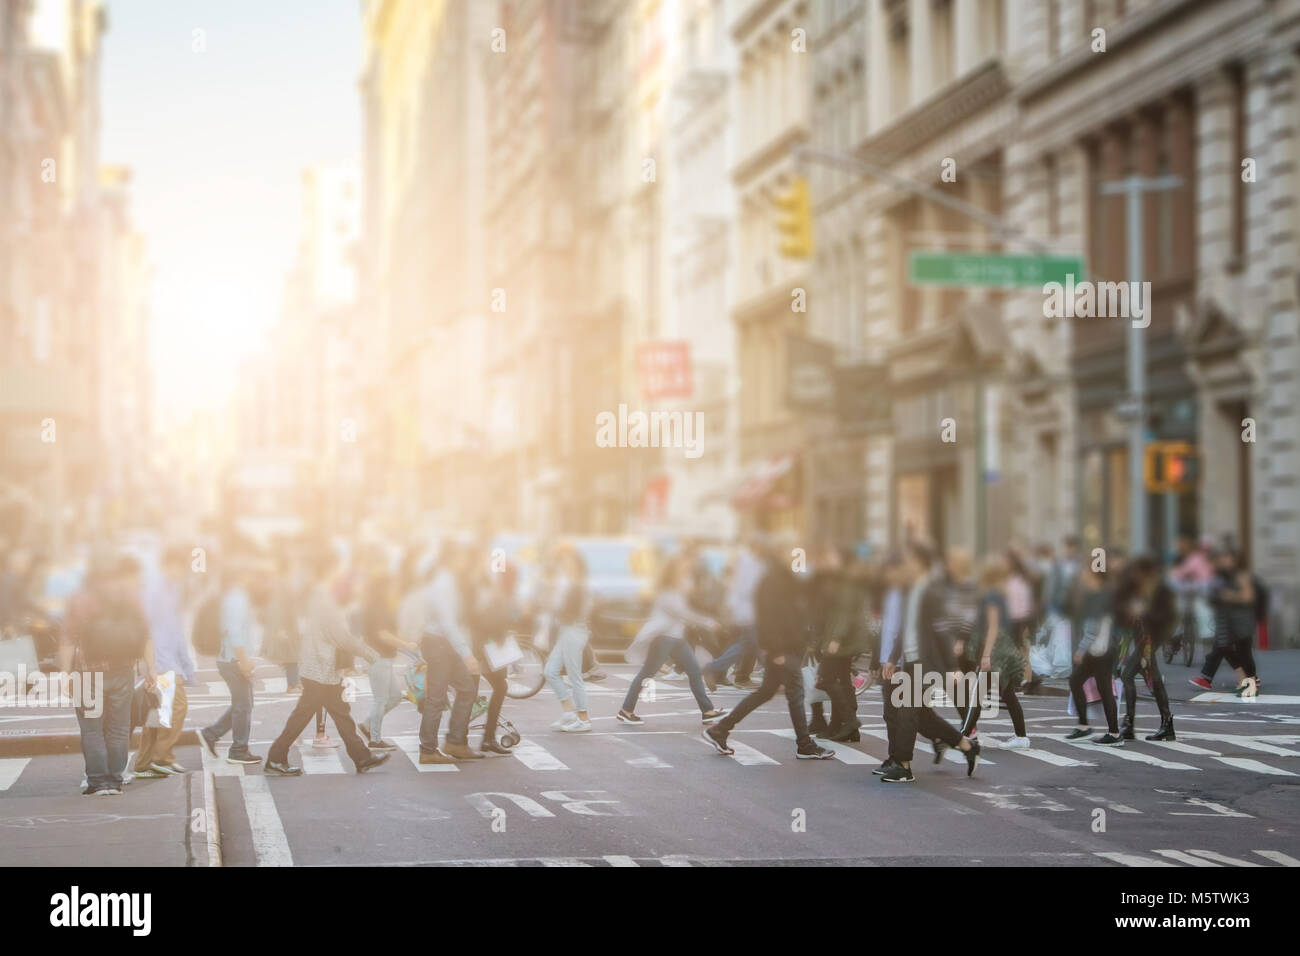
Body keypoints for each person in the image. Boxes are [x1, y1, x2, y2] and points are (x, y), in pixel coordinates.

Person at [264, 549, 389, 775]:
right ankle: (275, 756)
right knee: (303, 717)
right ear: (330, 571)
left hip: (322, 669)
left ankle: (362, 758)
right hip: (320, 669)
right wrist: (370, 653)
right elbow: (339, 636)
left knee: (340, 714)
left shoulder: (318, 596)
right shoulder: (325, 599)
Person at [704, 544, 833, 760]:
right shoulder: (773, 581)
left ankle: (720, 729)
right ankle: (805, 745)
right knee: (795, 693)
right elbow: (766, 617)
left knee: (766, 691)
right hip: (782, 648)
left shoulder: (788, 579)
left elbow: (807, 600)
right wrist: (775, 649)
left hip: (788, 646)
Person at [876, 542, 979, 784]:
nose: (905, 564)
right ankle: (966, 745)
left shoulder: (932, 591)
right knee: (922, 716)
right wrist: (892, 657)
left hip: (926, 663)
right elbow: (905, 627)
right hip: (910, 661)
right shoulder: (912, 590)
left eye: (909, 559)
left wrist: (953, 667)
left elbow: (942, 631)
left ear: (920, 563)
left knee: (907, 712)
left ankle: (903, 766)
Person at [58, 552, 155, 796]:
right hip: (122, 670)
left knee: (92, 728)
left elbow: (68, 638)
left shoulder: (79, 598)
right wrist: (151, 668)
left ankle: (98, 781)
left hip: (86, 671)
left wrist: (64, 673)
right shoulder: (130, 596)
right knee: (119, 728)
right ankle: (114, 779)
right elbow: (145, 634)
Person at [618, 555, 729, 725]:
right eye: (683, 571)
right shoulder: (667, 594)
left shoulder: (678, 590)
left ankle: (707, 711)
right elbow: (684, 614)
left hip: (677, 639)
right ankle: (626, 711)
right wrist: (709, 622)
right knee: (647, 674)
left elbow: (692, 589)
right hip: (664, 639)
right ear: (673, 573)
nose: (686, 574)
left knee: (694, 671)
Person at [951, 549, 1032, 749]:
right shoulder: (998, 593)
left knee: (978, 695)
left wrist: (986, 654)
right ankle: (1021, 736)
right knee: (1007, 694)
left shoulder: (993, 595)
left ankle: (963, 735)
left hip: (995, 651)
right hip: (1001, 649)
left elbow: (994, 626)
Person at [417, 540, 483, 763]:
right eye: (462, 557)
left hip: (443, 643)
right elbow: (447, 622)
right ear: (453, 558)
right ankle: (428, 750)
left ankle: (455, 742)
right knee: (436, 698)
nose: (465, 561)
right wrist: (466, 653)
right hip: (439, 643)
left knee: (466, 689)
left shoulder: (448, 580)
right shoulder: (443, 583)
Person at [133, 546, 195, 777]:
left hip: (169, 658)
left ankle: (144, 763)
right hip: (159, 659)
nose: (182, 572)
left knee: (159, 710)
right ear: (168, 565)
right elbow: (144, 625)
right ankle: (162, 757)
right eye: (179, 567)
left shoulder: (172, 589)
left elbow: (174, 628)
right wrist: (149, 663)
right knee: (176, 706)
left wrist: (185, 662)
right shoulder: (154, 590)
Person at [199, 558, 262, 765]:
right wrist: (243, 660)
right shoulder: (236, 598)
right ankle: (238, 750)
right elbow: (234, 631)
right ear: (241, 577)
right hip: (232, 659)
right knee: (243, 706)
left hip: (229, 658)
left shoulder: (230, 596)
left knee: (243, 703)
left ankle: (211, 734)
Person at [808, 546, 869, 742]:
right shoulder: (834, 577)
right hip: (839, 637)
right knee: (842, 681)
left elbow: (844, 612)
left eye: (830, 557)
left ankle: (850, 721)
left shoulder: (845, 579)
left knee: (826, 679)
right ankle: (841, 726)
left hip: (843, 639)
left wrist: (836, 638)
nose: (825, 560)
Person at [1114, 555, 1177, 741]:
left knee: (1129, 676)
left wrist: (1144, 612)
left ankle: (1131, 724)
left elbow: (1166, 616)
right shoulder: (1138, 588)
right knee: (1154, 680)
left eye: (1138, 572)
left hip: (1151, 639)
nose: (1135, 575)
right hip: (1141, 639)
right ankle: (1164, 725)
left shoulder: (1161, 590)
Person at [357, 561, 417, 752]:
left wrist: (406, 641)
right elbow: (383, 634)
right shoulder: (376, 606)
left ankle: (367, 725)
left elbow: (391, 630)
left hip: (384, 657)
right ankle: (375, 739)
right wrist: (405, 645)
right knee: (381, 699)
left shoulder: (381, 605)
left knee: (395, 696)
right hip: (378, 657)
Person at [1065, 562, 1122, 744]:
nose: (1083, 577)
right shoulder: (1096, 595)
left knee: (1104, 689)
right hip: (1097, 649)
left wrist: (1080, 650)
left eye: (1086, 574)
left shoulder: (1099, 596)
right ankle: (1083, 726)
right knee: (1076, 681)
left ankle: (1114, 733)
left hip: (1100, 650)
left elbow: (1093, 628)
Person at [467, 555, 518, 755]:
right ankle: (485, 738)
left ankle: (466, 738)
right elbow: (487, 618)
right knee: (493, 687)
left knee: (472, 691)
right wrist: (499, 634)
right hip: (485, 646)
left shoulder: (485, 584)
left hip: (480, 644)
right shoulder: (491, 589)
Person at [1193, 549, 1259, 695]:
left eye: (1227, 558)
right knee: (1225, 646)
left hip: (1242, 620)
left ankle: (1251, 682)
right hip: (1229, 620)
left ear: (1235, 561)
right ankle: (1245, 680)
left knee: (1243, 652)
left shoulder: (1241, 575)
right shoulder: (1226, 577)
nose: (1224, 561)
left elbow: (1248, 597)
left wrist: (1229, 596)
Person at [542, 547, 594, 733]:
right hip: (567, 632)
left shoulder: (578, 586)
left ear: (578, 566)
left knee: (574, 676)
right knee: (550, 671)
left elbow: (571, 614)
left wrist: (555, 608)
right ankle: (568, 713)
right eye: (564, 563)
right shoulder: (570, 584)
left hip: (574, 632)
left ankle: (583, 718)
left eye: (569, 563)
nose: (565, 566)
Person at [702, 537, 764, 689]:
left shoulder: (745, 562)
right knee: (759, 643)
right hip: (750, 613)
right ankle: (778, 679)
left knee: (745, 644)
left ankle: (712, 668)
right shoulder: (751, 563)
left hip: (745, 612)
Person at [872, 553, 907, 777]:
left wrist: (894, 658)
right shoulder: (890, 594)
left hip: (901, 663)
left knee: (901, 715)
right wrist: (877, 659)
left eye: (889, 571)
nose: (886, 575)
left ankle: (899, 760)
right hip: (887, 661)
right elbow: (882, 630)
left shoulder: (906, 595)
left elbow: (904, 631)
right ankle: (893, 756)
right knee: (890, 713)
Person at [262, 550, 302, 694]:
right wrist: (282, 627)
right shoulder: (284, 582)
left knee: (292, 653)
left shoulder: (280, 580)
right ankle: (293, 685)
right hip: (286, 623)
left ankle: (295, 682)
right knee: (292, 654)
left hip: (286, 622)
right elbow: (284, 605)